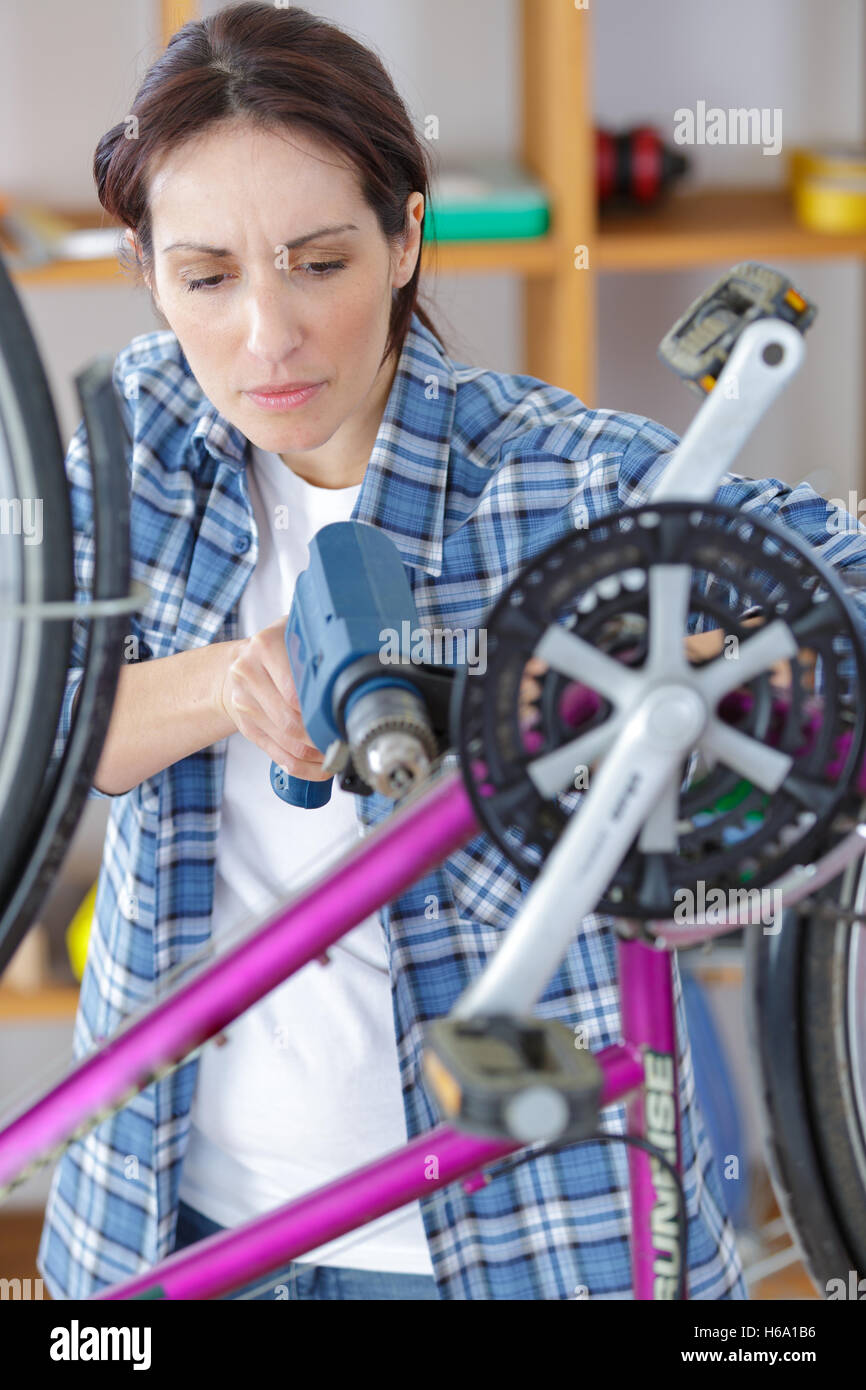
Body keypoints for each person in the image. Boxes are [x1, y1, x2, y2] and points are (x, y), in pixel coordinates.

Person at [35, 1, 866, 1301]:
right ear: (145, 267)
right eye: (206, 276)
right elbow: (38, 721)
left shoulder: (555, 474)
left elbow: (842, 582)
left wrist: (633, 682)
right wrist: (231, 680)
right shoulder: (141, 435)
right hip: (172, 1216)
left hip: (504, 1240)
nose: (268, 334)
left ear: (407, 235)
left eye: (320, 261)